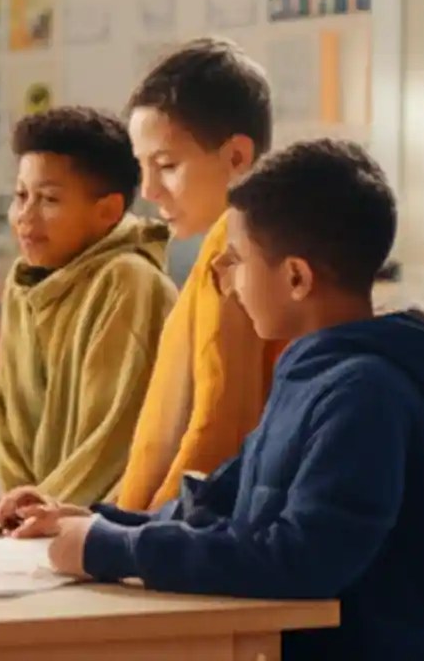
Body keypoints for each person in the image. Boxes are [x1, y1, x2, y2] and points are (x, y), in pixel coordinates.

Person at [4, 140, 424, 660]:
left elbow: (299, 558)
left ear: (295, 278)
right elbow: (217, 511)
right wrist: (90, 523)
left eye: (235, 259)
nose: (227, 277)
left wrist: (113, 549)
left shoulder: (365, 395)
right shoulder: (308, 375)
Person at [114, 37, 286, 510]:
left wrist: (130, 536)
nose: (149, 189)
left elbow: (218, 429)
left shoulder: (233, 252)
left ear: (236, 158)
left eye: (167, 166)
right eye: (142, 167)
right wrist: (105, 518)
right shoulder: (234, 243)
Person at [0, 107, 177, 503]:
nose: (25, 215)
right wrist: (19, 503)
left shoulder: (129, 282)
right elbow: (7, 414)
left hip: (103, 529)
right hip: (36, 528)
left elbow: (114, 438)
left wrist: (47, 509)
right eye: (21, 195)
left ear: (107, 211)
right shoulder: (24, 282)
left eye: (49, 199)